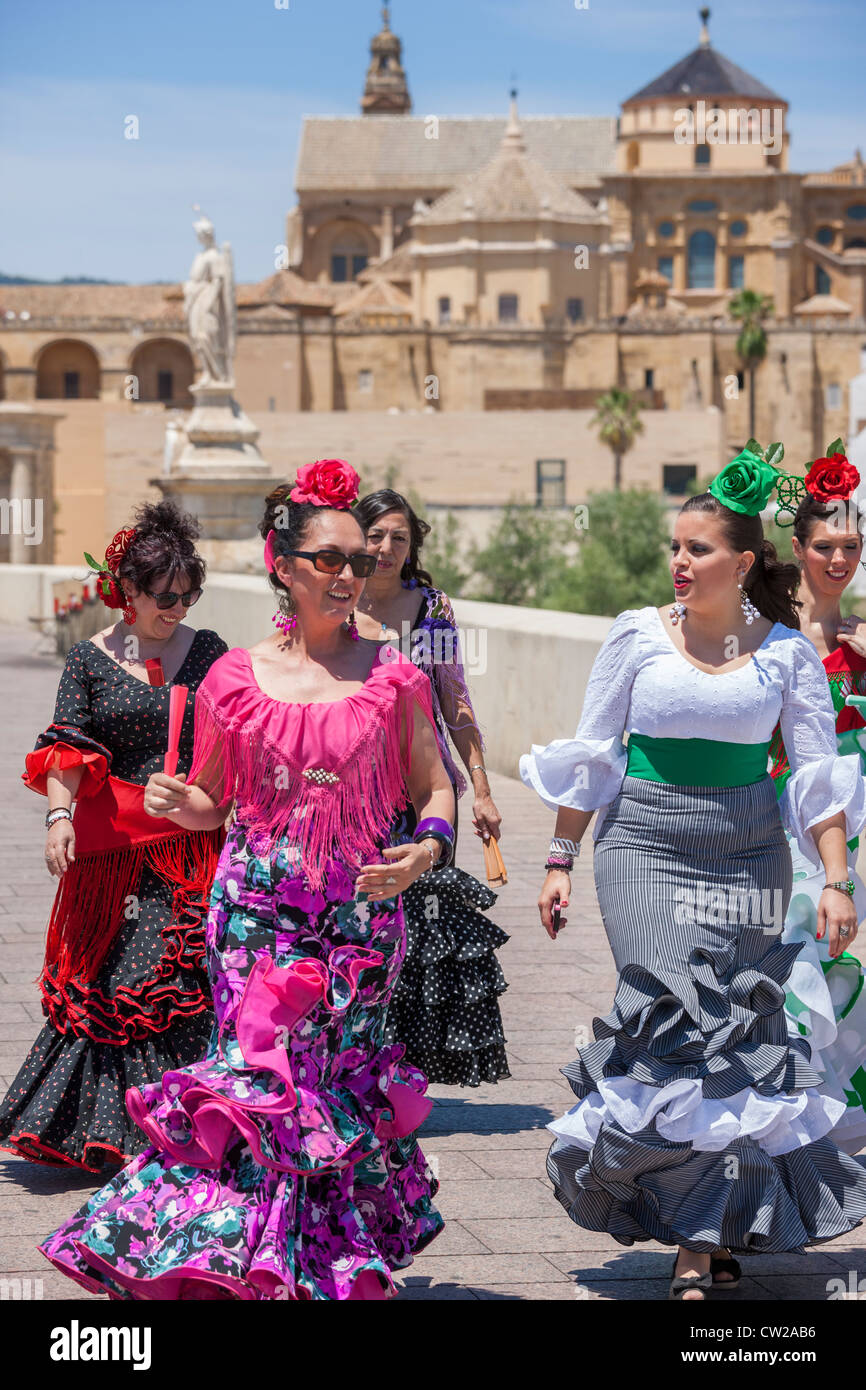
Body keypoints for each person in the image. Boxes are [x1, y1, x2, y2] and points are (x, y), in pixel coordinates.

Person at [40, 459, 452, 1300]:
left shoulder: (395, 676)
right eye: (328, 560)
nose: (347, 575)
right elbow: (215, 805)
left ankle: (304, 1262)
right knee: (266, 1082)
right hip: (257, 915)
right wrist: (181, 800)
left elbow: (431, 785)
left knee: (333, 1086)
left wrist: (425, 851)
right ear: (284, 564)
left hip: (360, 920)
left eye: (359, 561)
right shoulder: (232, 679)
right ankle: (252, 1262)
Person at [520, 446, 866, 1301]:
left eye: (699, 549)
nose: (680, 562)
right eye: (675, 547)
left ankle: (712, 1220)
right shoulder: (635, 634)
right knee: (672, 1013)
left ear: (742, 562)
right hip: (642, 843)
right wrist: (560, 859)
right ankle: (688, 1239)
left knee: (736, 1034)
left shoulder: (785, 654)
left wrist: (835, 880)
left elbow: (818, 783)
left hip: (747, 847)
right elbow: (595, 755)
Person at [0, 501, 227, 1171]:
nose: (178, 609)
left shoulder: (210, 653)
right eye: (165, 597)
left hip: (190, 848)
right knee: (113, 987)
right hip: (111, 860)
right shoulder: (89, 661)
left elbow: (236, 741)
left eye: (189, 597)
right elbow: (68, 748)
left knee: (177, 981)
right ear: (128, 591)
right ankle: (115, 1133)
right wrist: (58, 818)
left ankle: (184, 1128)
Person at [352, 489, 510, 1087]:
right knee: (356, 928)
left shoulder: (431, 608)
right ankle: (352, 1068)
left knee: (417, 935)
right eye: (375, 535)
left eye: (399, 536)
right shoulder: (330, 601)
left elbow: (457, 702)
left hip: (421, 795)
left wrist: (484, 789)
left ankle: (400, 1079)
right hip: (346, 795)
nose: (386, 547)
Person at [769, 446, 866, 1154]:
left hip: (857, 824)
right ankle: (776, 1122)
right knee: (785, 967)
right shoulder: (768, 634)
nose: (839, 559)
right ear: (797, 548)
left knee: (841, 971)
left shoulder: (862, 638)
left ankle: (818, 1132)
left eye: (852, 547)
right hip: (784, 818)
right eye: (826, 546)